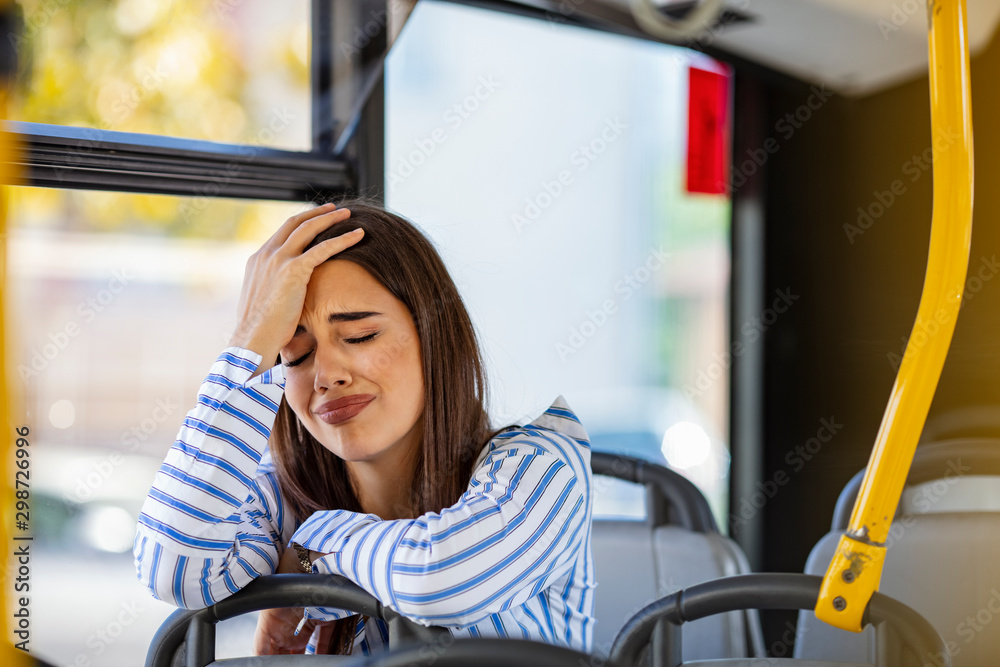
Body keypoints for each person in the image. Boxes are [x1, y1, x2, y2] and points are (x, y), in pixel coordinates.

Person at [132, 199, 596, 656]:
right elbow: (174, 569)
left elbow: (440, 578)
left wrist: (316, 548)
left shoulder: (543, 469)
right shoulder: (283, 500)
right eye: (295, 355)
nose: (325, 375)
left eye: (360, 336)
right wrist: (250, 339)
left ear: (434, 335)